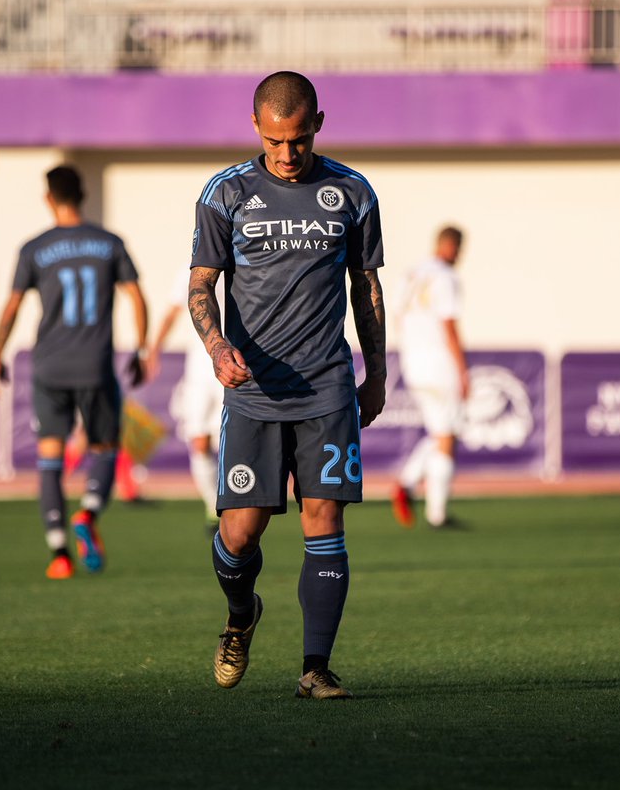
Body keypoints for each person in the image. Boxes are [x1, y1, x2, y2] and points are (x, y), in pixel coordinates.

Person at [188, 71, 387, 700]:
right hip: (254, 391)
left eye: (297, 141)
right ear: (256, 127)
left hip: (327, 385)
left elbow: (367, 288)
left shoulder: (352, 192)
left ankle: (315, 668)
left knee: (324, 519)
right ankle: (241, 614)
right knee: (240, 534)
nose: (286, 154)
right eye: (275, 142)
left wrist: (375, 371)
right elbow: (200, 287)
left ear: (317, 125)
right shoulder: (225, 194)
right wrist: (217, 346)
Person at [0, 165, 148, 579]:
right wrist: (142, 348)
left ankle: (59, 554)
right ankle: (89, 513)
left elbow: (12, 307)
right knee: (106, 446)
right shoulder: (109, 243)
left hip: (50, 366)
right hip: (95, 364)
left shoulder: (34, 248)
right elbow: (135, 296)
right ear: (83, 195)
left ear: (48, 198)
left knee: (50, 459)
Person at [391, 226, 467, 529]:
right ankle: (438, 513)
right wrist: (462, 368)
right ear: (453, 247)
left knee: (439, 432)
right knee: (447, 437)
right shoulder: (445, 277)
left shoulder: (411, 274)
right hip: (439, 362)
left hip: (414, 362)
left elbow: (396, 315)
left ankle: (406, 483)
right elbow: (448, 324)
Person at [147, 281, 226, 535]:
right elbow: (172, 311)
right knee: (199, 442)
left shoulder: (248, 258)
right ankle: (213, 507)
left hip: (233, 366)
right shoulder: (192, 269)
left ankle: (234, 504)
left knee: (231, 441)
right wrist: (153, 350)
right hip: (200, 373)